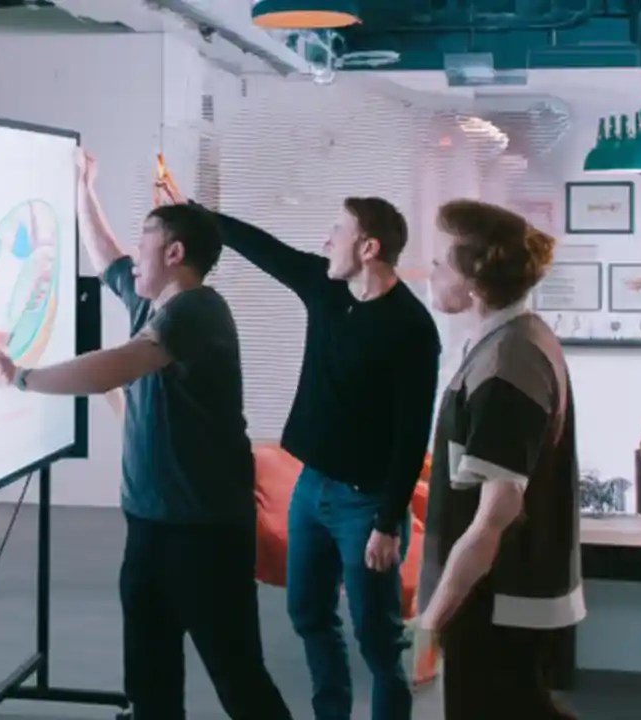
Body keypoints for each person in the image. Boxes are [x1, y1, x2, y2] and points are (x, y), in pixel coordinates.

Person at [0, 150, 292, 720]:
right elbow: (107, 258)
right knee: (149, 681)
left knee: (237, 675)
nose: (134, 258)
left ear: (175, 255)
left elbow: (119, 365)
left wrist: (23, 377)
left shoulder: (194, 312)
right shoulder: (151, 300)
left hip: (205, 532)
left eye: (145, 246)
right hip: (150, 525)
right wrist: (83, 186)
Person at [156, 177, 438, 720]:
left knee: (378, 641)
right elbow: (266, 250)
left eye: (339, 232)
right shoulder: (326, 289)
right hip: (313, 489)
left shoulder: (412, 328)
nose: (327, 241)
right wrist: (197, 212)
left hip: (368, 504)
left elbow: (412, 432)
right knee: (309, 614)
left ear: (369, 247)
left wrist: (386, 523)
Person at [418, 199, 583, 719]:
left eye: (439, 264)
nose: (430, 273)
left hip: (500, 596)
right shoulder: (511, 339)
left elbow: (494, 517)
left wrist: (432, 619)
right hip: (504, 593)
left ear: (473, 283)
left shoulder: (507, 364)